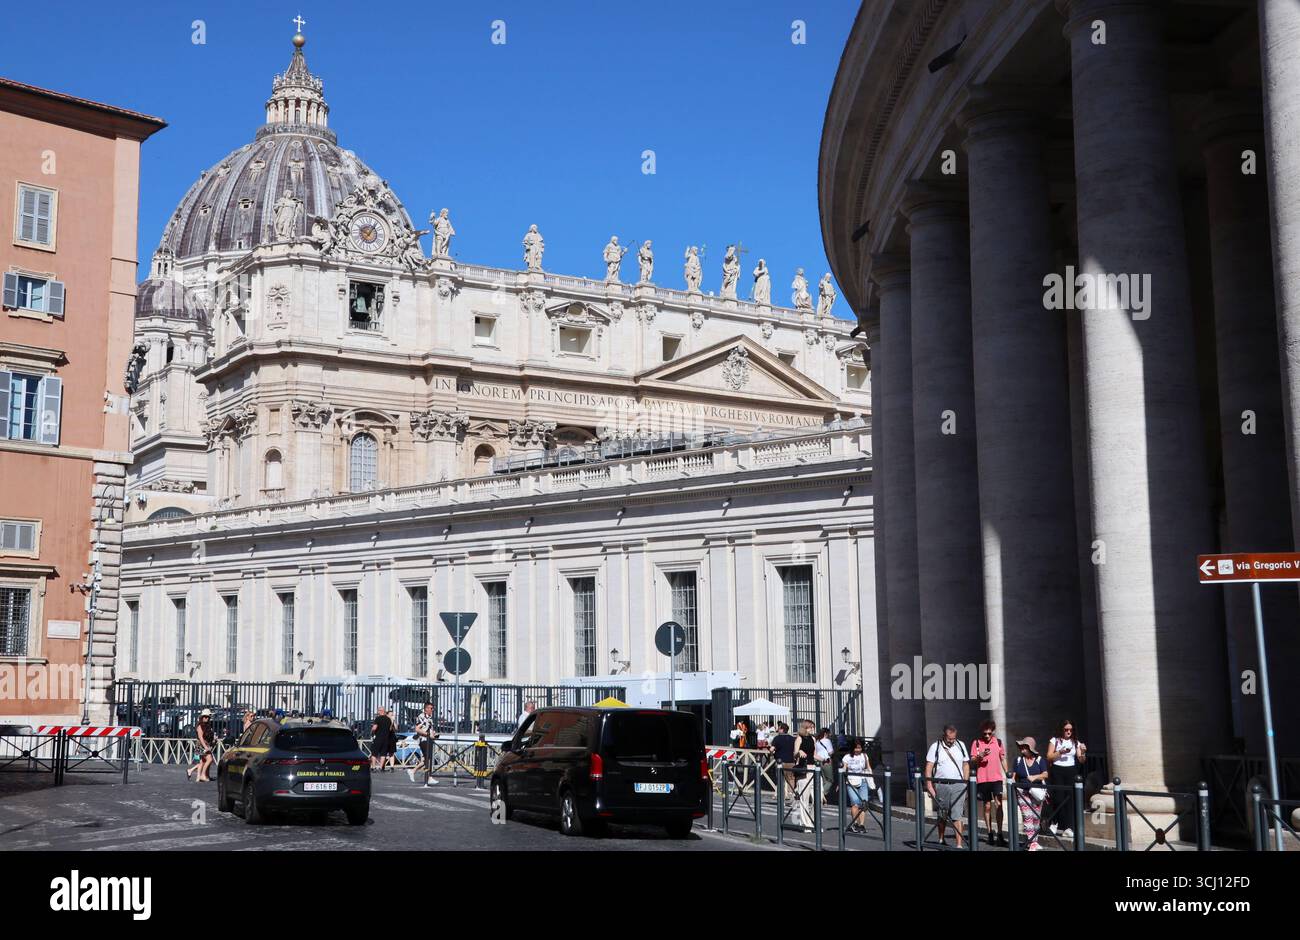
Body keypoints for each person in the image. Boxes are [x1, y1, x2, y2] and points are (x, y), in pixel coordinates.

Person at [924, 724, 971, 849]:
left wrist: (965, 783)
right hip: (942, 785)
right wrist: (929, 785)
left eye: (953, 738)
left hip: (959, 785)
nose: (951, 741)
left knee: (957, 814)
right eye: (949, 738)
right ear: (944, 735)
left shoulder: (960, 745)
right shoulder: (936, 746)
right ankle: (941, 838)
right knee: (942, 814)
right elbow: (929, 766)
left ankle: (959, 844)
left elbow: (966, 764)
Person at [1045, 719, 1087, 839]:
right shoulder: (1055, 740)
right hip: (1057, 770)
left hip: (1071, 771)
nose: (1068, 732)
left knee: (1070, 799)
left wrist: (1083, 752)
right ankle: (1054, 823)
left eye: (1070, 730)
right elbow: (1049, 756)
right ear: (1061, 730)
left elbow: (1081, 760)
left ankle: (1069, 827)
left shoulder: (1076, 742)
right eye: (1066, 729)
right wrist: (1060, 752)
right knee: (1058, 797)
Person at [971, 719, 1009, 846]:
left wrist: (1008, 774)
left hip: (997, 778)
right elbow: (972, 762)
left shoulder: (998, 742)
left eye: (989, 733)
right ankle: (989, 833)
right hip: (983, 779)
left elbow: (1003, 758)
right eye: (984, 733)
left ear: (992, 732)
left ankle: (1000, 833)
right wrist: (980, 756)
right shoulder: (976, 743)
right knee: (987, 806)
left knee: (999, 805)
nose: (987, 736)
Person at [1013, 736, 1050, 851]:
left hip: (1037, 792)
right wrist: (1012, 787)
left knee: (1036, 818)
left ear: (1031, 748)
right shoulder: (1018, 760)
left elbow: (1045, 774)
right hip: (1022, 791)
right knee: (1027, 816)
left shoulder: (1040, 760)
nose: (1022, 750)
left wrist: (1035, 777)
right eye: (1021, 747)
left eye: (1024, 747)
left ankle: (1033, 841)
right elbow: (1014, 776)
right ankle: (1032, 842)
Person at [841, 738, 874, 833]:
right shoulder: (847, 757)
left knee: (863, 804)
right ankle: (855, 823)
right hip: (851, 782)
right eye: (856, 748)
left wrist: (871, 779)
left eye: (859, 748)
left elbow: (868, 767)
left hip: (863, 781)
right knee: (855, 803)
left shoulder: (864, 756)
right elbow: (844, 769)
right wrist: (841, 781)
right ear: (852, 748)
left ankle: (862, 825)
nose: (858, 750)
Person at [409, 702, 440, 785]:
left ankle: (413, 771)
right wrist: (428, 734)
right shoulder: (421, 717)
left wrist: (434, 734)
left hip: (429, 739)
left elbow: (429, 729)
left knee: (427, 759)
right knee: (428, 759)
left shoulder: (430, 718)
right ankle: (428, 777)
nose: (432, 710)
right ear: (426, 709)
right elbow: (417, 729)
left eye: (432, 708)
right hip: (423, 740)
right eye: (431, 708)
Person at [189, 709, 217, 783]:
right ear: (202, 717)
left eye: (208, 717)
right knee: (209, 759)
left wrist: (213, 738)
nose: (207, 718)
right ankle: (203, 775)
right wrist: (205, 747)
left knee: (203, 761)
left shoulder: (207, 725)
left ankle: (201, 777)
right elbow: (200, 737)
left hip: (206, 744)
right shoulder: (200, 725)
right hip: (201, 745)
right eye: (205, 717)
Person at [815, 728, 836, 802]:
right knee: (830, 780)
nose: (829, 735)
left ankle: (822, 797)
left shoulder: (817, 741)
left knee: (824, 780)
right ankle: (821, 794)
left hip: (818, 761)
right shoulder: (827, 741)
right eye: (828, 733)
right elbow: (830, 752)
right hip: (827, 761)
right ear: (825, 734)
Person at [371, 707, 394, 771]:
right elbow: (390, 729)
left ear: (381, 711)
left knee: (374, 753)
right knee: (383, 754)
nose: (377, 712)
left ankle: (373, 767)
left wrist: (372, 731)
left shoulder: (378, 718)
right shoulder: (388, 719)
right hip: (386, 738)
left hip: (378, 737)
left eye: (378, 710)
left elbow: (374, 728)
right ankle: (381, 767)